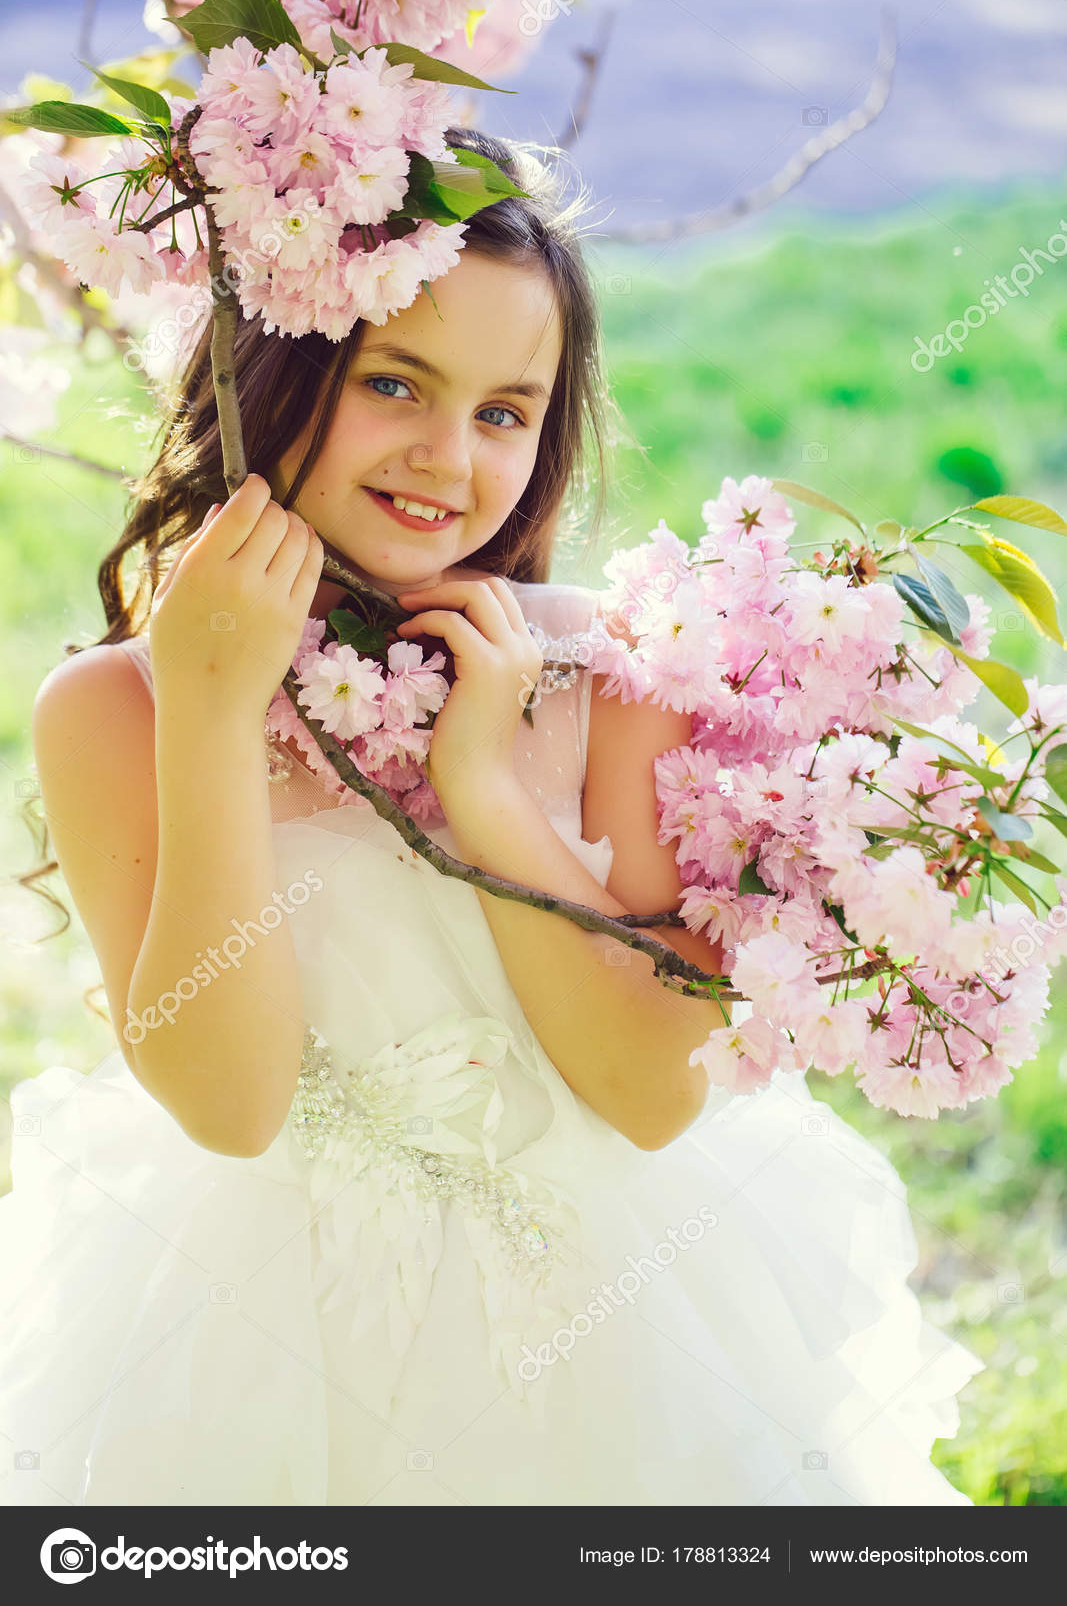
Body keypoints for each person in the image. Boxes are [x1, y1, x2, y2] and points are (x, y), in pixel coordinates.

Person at [1, 126, 983, 1508]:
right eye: (393, 383)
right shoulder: (121, 710)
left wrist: (486, 786)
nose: (449, 458)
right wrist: (217, 713)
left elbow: (648, 1097)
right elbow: (228, 1106)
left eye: (506, 412)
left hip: (612, 1317)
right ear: (273, 368)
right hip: (265, 1324)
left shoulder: (621, 674)